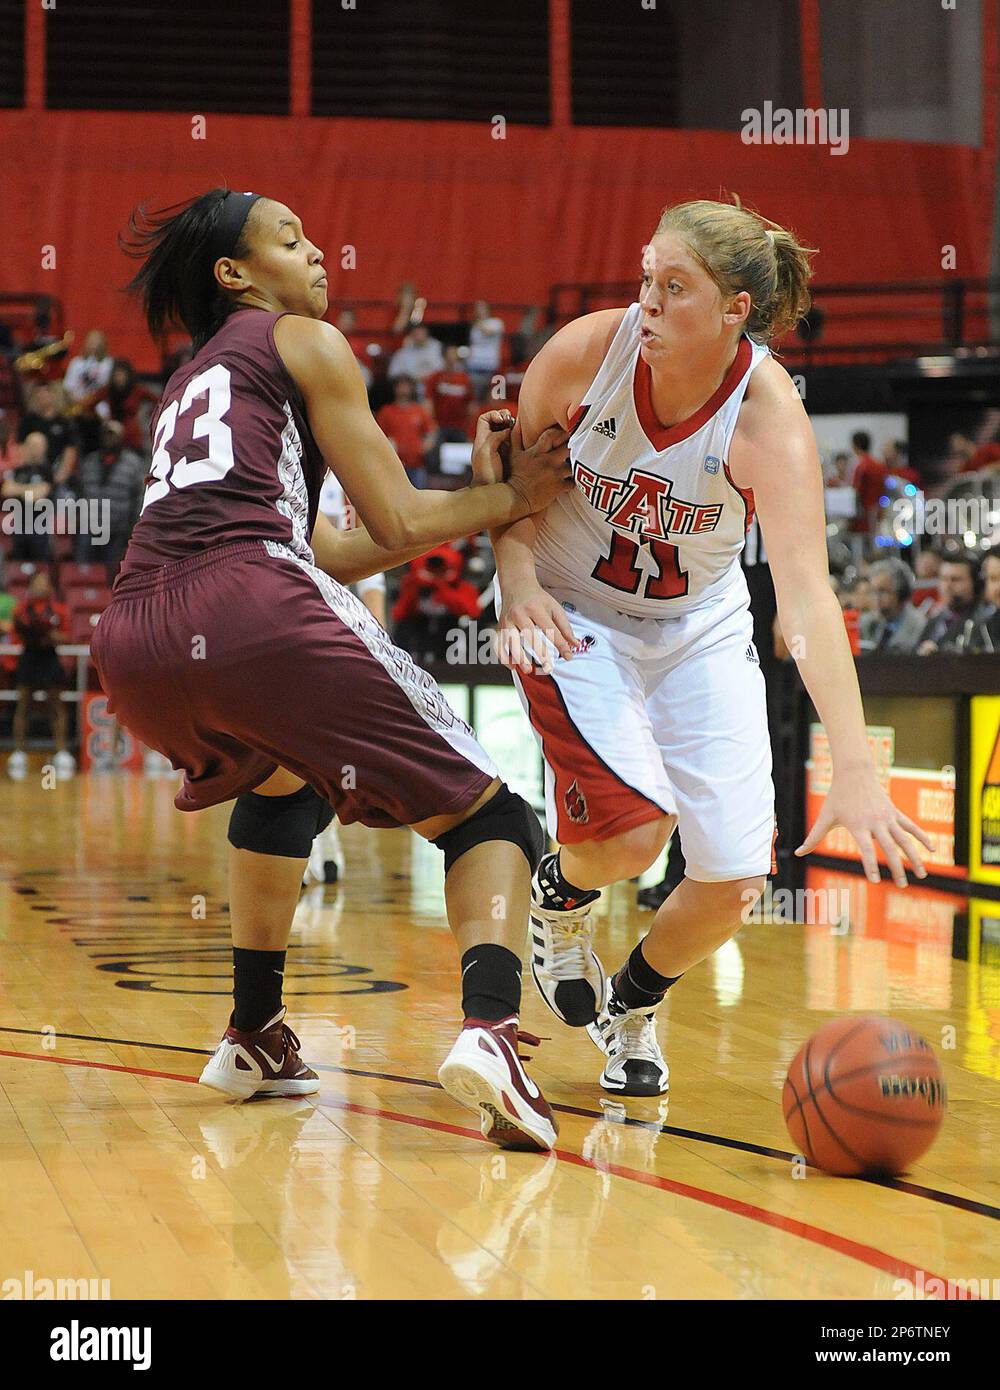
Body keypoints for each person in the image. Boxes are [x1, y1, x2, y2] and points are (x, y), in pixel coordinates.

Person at [92, 187, 574, 1152]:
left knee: (282, 785)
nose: (319, 256)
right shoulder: (300, 341)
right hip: (248, 603)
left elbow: (333, 546)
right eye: (290, 239)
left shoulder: (193, 383)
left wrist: (481, 499)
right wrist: (514, 494)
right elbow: (393, 522)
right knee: (495, 816)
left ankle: (253, 1033)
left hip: (134, 639)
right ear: (236, 274)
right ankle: (492, 1031)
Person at [485, 197, 932, 1096]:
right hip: (573, 609)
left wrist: (854, 764)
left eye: (675, 286)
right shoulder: (585, 352)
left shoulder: (769, 419)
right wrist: (520, 582)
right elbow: (507, 477)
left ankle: (634, 1008)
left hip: (698, 625)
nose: (647, 300)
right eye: (646, 276)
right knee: (632, 835)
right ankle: (558, 900)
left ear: (735, 311)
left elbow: (807, 601)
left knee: (732, 878)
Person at [8, 570, 73, 781]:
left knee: (56, 705)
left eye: (45, 582)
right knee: (23, 704)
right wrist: (30, 630)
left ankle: (61, 751)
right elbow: (14, 634)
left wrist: (49, 633)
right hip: (29, 657)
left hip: (49, 657)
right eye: (38, 582)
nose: (41, 586)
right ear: (31, 585)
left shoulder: (59, 610)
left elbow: (67, 636)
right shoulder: (21, 609)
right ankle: (19, 752)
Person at [75, 419, 146, 581]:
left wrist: (133, 527)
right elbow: (80, 493)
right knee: (82, 573)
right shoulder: (90, 462)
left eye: (113, 435)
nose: (109, 439)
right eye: (106, 435)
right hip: (89, 527)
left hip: (117, 530)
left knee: (111, 576)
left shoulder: (133, 463)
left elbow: (138, 497)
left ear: (121, 437)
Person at [917, 553, 991, 653]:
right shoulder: (935, 620)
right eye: (943, 579)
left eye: (955, 580)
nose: (947, 586)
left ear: (975, 583)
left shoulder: (985, 622)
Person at [375, 375, 435, 488]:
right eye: (400, 386)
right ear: (395, 389)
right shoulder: (386, 411)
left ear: (411, 389)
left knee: (420, 496)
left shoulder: (419, 411)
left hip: (417, 464)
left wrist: (427, 445)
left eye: (406, 386)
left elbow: (431, 432)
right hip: (394, 464)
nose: (403, 389)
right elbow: (378, 435)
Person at [860, 559, 924, 653]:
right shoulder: (867, 623)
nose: (876, 598)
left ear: (902, 593)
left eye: (883, 591)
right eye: (873, 591)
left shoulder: (919, 626)